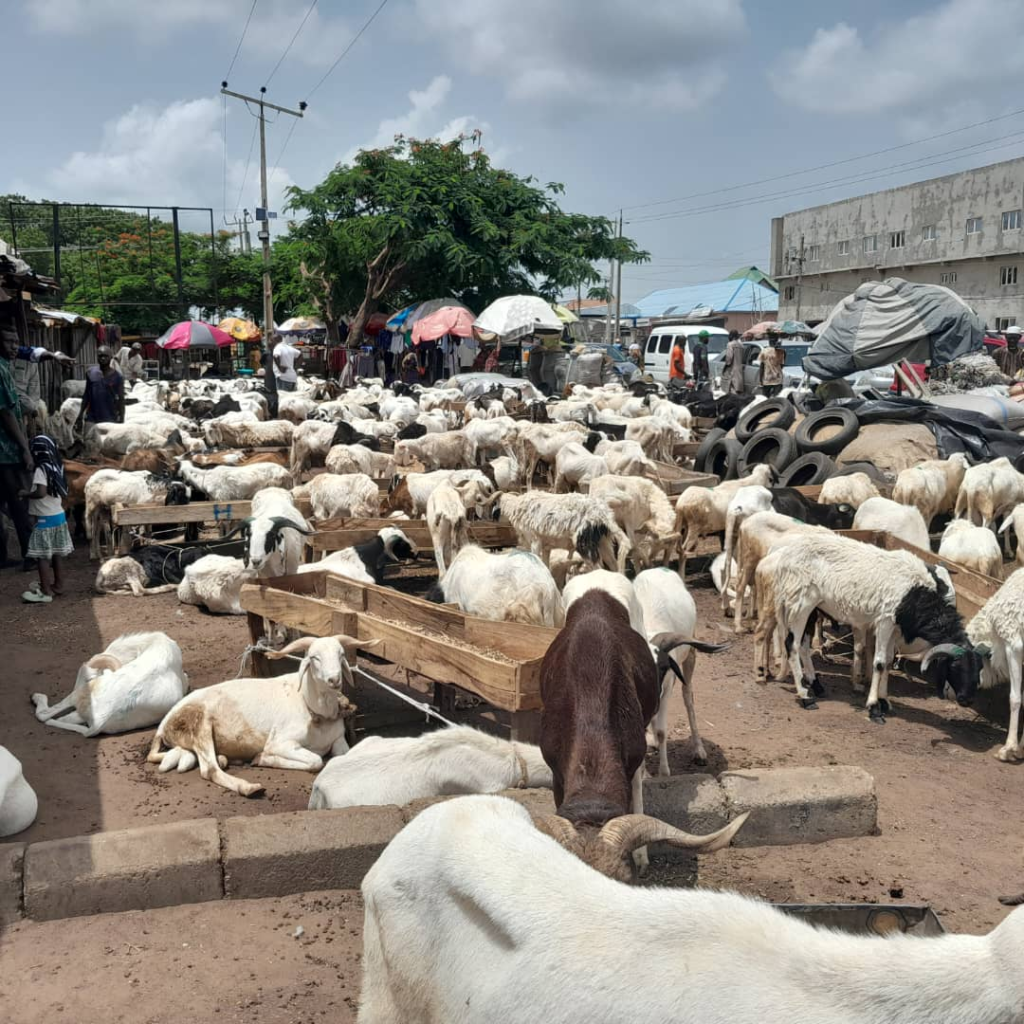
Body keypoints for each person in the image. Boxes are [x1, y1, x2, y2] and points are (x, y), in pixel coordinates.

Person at [18, 435, 73, 603]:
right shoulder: (57, 467)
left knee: (42, 557)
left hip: (45, 521)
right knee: (56, 554)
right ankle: (59, 585)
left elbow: (41, 492)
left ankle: (46, 591)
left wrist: (26, 494)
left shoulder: (42, 470)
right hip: (59, 517)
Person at [0, 327, 34, 568]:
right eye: (8, 341)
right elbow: (6, 413)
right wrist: (25, 447)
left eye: (16, 342)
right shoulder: (0, 369)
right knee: (19, 501)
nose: (13, 346)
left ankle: (2, 555)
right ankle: (31, 554)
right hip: (6, 451)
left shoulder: (6, 366)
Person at [75, 345, 124, 431]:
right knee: (89, 442)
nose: (103, 358)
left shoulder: (117, 377)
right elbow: (86, 395)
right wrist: (80, 415)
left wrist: (121, 418)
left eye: (106, 356)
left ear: (111, 357)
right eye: (100, 356)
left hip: (110, 419)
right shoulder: (90, 372)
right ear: (97, 357)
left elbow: (121, 400)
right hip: (91, 418)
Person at [722, 330, 746, 395]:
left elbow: (729, 359)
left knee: (732, 391)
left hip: (732, 371)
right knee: (738, 390)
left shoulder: (730, 344)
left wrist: (725, 367)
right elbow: (743, 358)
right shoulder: (742, 346)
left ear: (731, 336)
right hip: (739, 371)